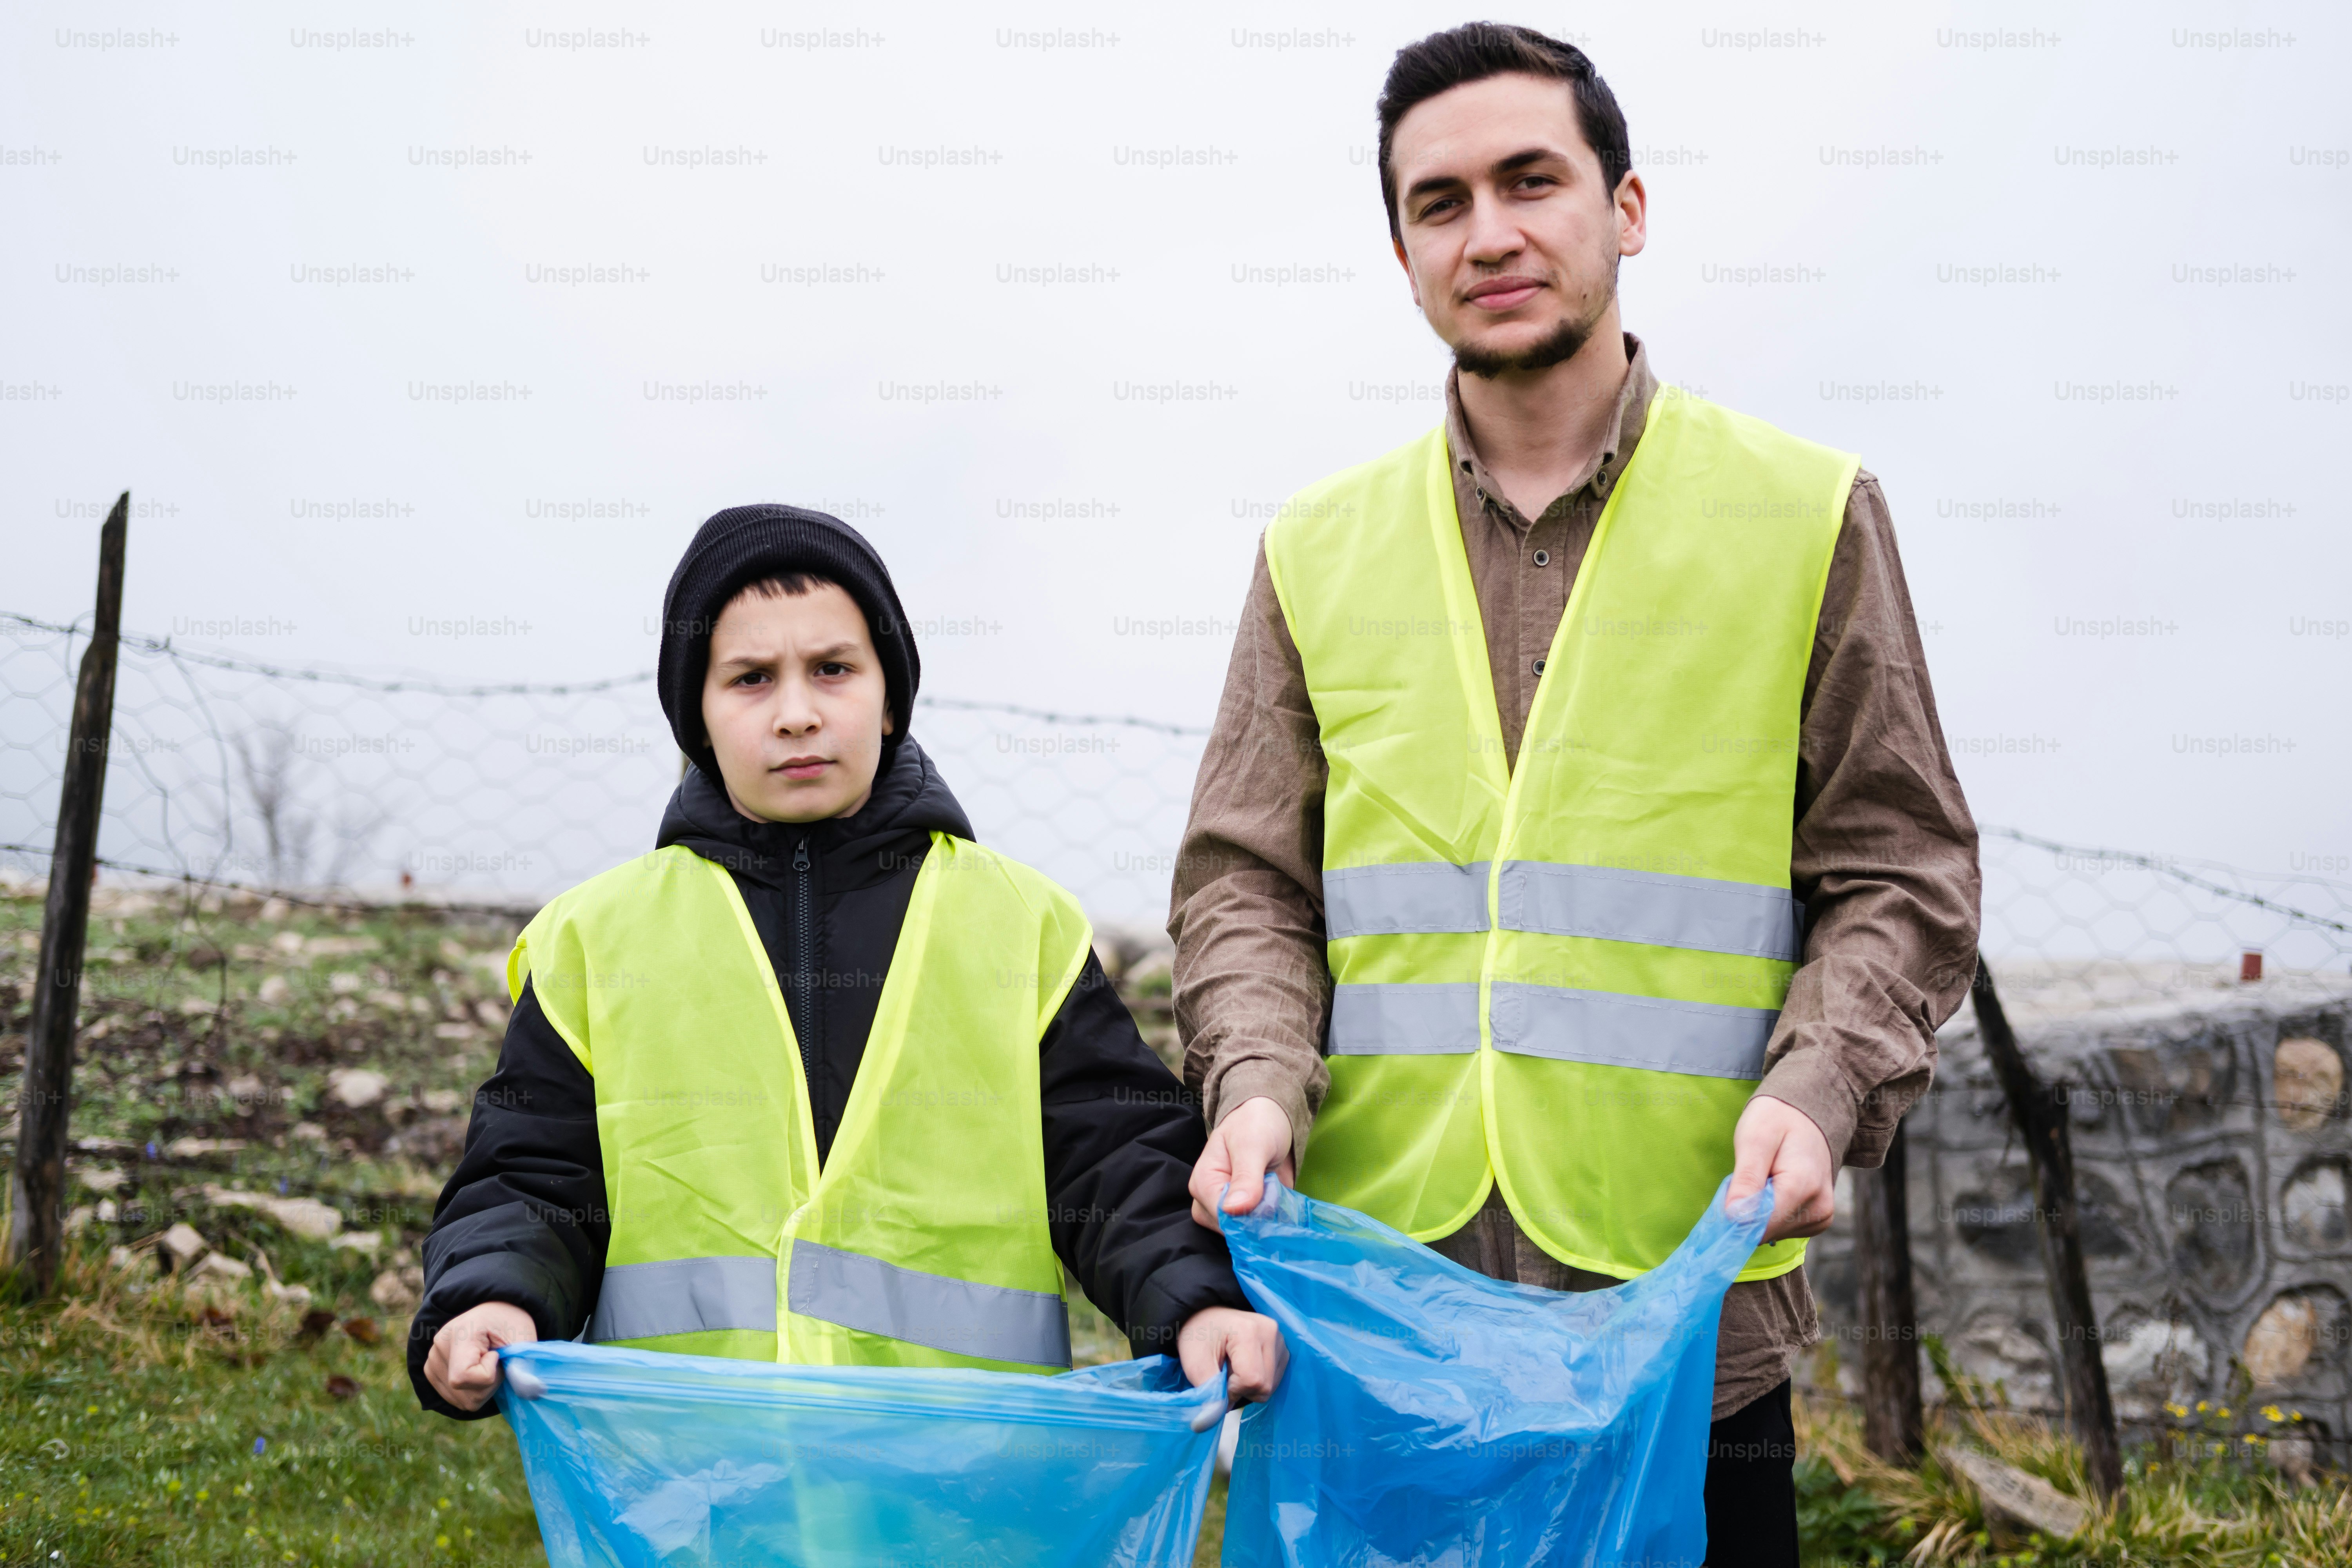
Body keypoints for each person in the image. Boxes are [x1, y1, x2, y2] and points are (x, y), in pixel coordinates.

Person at [1169, 24, 1978, 1566]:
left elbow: (1902, 866)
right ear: (1402, 251)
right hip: (1377, 1322)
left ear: (1628, 207)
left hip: (1688, 1325)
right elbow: (1244, 881)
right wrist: (1258, 1079)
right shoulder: (1315, 548)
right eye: (1441, 201)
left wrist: (1815, 1094)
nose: (1492, 233)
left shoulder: (1805, 511)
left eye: (1532, 181)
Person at [409, 505, 1284, 1416]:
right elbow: (530, 1173)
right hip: (694, 1483)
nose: (797, 713)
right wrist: (493, 1293)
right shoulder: (597, 937)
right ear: (697, 719)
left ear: (891, 694)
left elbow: (1117, 1158)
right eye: (750, 678)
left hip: (958, 1480)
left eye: (832, 669)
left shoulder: (1019, 924)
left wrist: (1197, 1301)